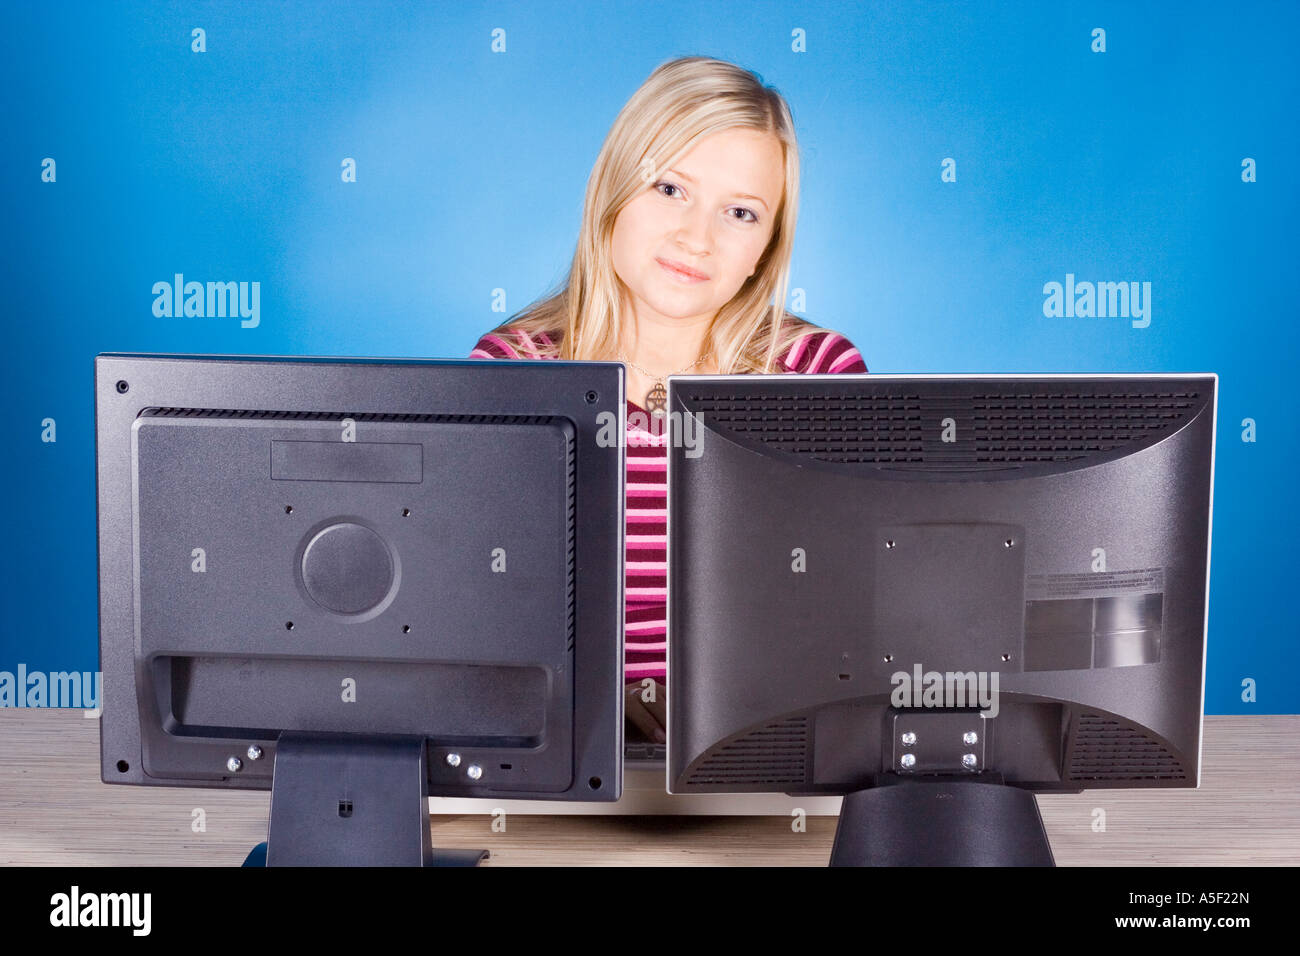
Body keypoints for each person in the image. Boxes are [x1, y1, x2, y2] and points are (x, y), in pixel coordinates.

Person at [469, 56, 868, 744]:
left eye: (739, 212)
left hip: (762, 760)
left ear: (764, 250)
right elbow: (477, 612)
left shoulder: (816, 374)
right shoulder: (513, 372)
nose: (697, 237)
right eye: (671, 188)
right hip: (562, 760)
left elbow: (857, 615)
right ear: (614, 190)